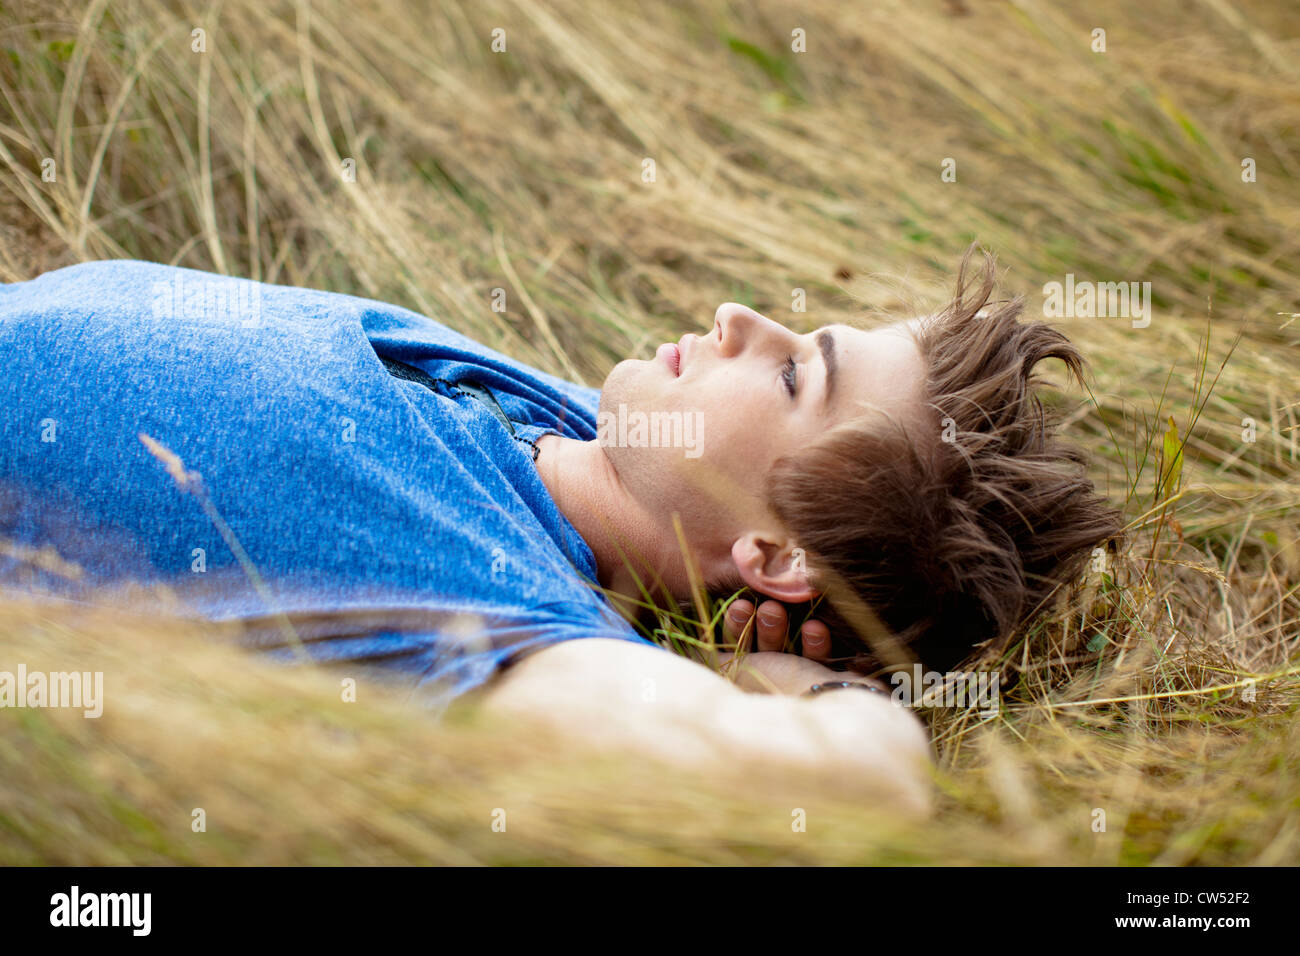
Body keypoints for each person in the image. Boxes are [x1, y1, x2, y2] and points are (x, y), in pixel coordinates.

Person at [0, 247, 1122, 815]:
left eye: (792, 373)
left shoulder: (511, 605)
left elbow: (864, 786)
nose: (740, 317)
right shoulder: (572, 428)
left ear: (776, 555)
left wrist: (798, 681)